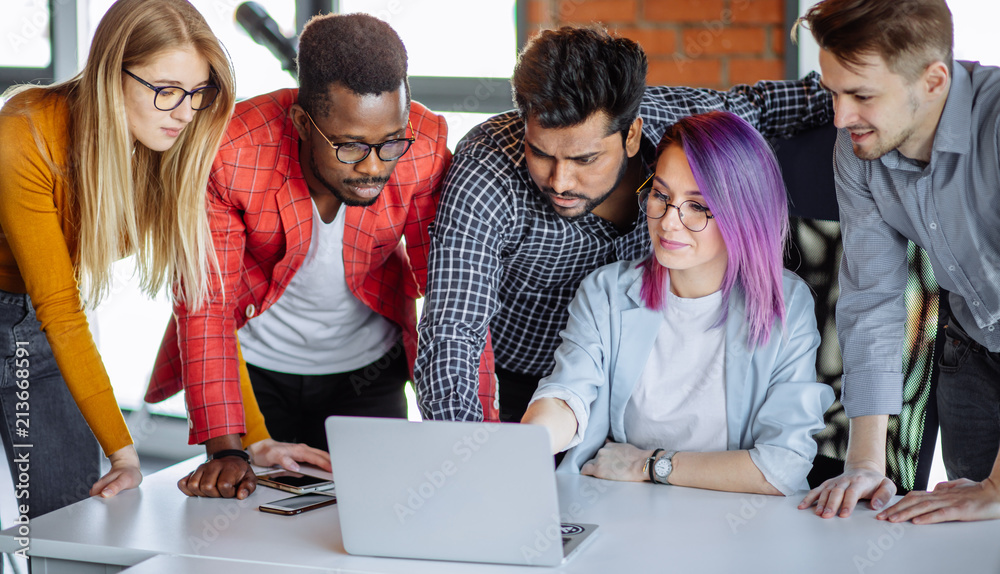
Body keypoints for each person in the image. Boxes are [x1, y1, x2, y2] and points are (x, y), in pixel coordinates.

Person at [145, 12, 491, 499]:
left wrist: (480, 434)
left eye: (389, 142)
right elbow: (206, 301)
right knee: (255, 528)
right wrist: (225, 448)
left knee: (377, 516)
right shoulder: (231, 152)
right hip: (258, 367)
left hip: (368, 369)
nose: (374, 167)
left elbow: (454, 297)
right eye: (350, 147)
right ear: (304, 124)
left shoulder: (423, 146)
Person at [414, 25, 833, 424]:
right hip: (525, 382)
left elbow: (776, 104)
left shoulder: (679, 127)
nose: (559, 181)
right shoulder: (487, 169)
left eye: (584, 159)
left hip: (636, 380)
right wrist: (462, 452)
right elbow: (452, 330)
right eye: (540, 153)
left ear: (632, 135)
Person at [0, 0, 235, 517]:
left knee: (63, 523)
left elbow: (205, 301)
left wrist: (248, 442)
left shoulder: (167, 146)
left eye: (197, 93)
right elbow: (61, 306)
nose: (184, 112)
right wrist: (125, 451)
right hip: (41, 312)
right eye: (166, 91)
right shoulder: (24, 132)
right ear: (112, 73)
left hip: (33, 328)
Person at [521, 111, 834, 494]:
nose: (669, 222)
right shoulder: (607, 291)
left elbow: (780, 467)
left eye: (697, 206)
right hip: (624, 511)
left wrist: (649, 464)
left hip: (736, 521)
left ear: (744, 214)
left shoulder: (783, 303)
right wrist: (529, 440)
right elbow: (567, 395)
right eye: (661, 195)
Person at [795, 0, 1000, 523]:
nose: (841, 118)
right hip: (971, 352)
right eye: (832, 92)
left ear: (933, 81)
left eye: (861, 95)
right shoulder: (858, 146)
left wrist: (998, 487)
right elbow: (873, 297)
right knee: (971, 544)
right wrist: (865, 462)